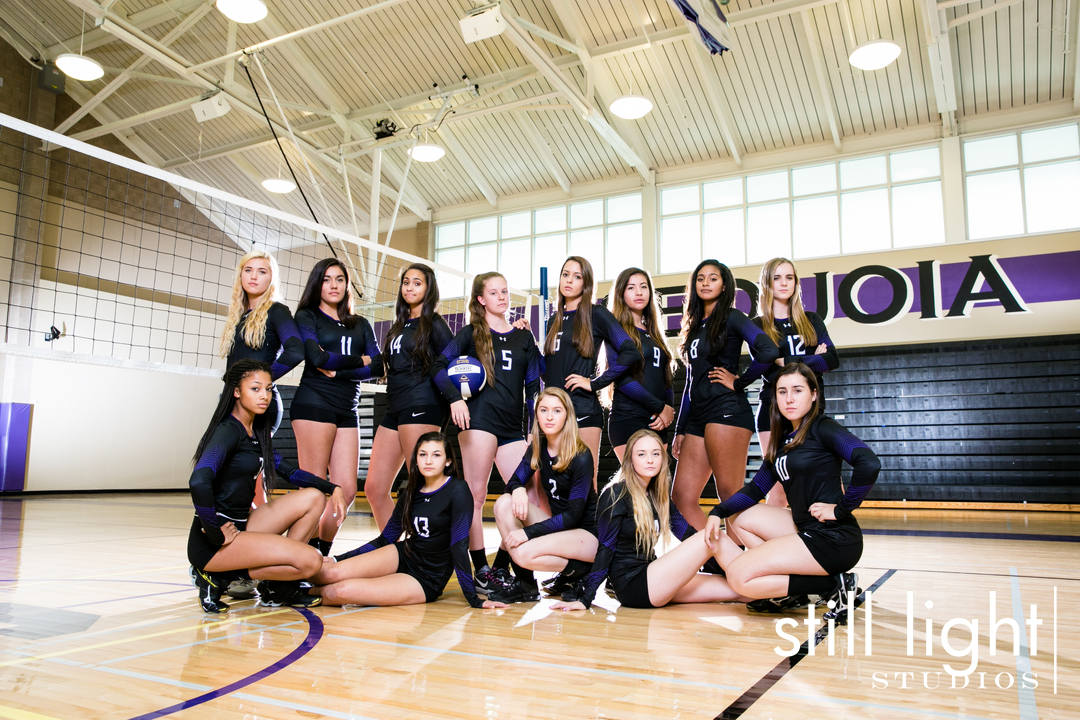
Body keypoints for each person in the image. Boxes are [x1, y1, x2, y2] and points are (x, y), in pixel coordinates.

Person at [703, 363, 879, 623]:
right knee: (741, 517)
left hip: (832, 539)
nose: (789, 398)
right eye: (782, 391)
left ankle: (829, 585)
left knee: (739, 577)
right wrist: (718, 512)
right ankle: (792, 590)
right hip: (804, 528)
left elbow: (869, 463)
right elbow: (756, 489)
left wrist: (841, 509)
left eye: (797, 390)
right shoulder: (782, 438)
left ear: (814, 394)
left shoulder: (823, 428)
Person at [188, 359, 346, 613]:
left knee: (315, 497)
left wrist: (333, 487)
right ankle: (216, 576)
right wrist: (215, 533)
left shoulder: (254, 433)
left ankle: (277, 587)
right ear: (237, 392)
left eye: (269, 389)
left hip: (242, 525)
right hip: (213, 542)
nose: (265, 396)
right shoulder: (228, 430)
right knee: (311, 561)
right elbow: (198, 480)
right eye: (256, 389)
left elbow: (291, 473)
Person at [551, 429, 747, 611]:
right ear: (630, 460)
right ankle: (754, 570)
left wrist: (723, 571)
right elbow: (605, 549)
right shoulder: (616, 495)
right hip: (633, 586)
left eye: (655, 453)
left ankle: (769, 594)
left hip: (655, 577)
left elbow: (687, 535)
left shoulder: (658, 496)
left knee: (740, 590)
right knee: (713, 536)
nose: (650, 460)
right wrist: (586, 599)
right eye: (642, 454)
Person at [432, 272, 542, 594]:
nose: (502, 297)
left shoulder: (525, 337)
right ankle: (480, 570)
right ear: (481, 299)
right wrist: (454, 399)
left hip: (512, 426)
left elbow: (534, 385)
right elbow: (439, 366)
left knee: (529, 496)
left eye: (505, 291)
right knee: (476, 498)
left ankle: (500, 566)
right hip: (477, 421)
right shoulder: (470, 334)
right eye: (494, 293)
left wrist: (535, 427)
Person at [310, 433, 506, 609]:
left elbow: (459, 547)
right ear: (416, 460)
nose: (429, 461)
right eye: (423, 455)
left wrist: (473, 599)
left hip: (426, 578)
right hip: (403, 554)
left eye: (436, 455)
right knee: (329, 572)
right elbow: (385, 540)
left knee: (338, 592)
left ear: (447, 461)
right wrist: (337, 558)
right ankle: (285, 585)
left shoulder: (458, 490)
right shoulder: (411, 493)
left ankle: (299, 594)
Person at [670, 260, 780, 536]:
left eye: (713, 278)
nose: (706, 283)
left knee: (730, 494)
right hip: (698, 417)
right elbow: (690, 383)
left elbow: (767, 350)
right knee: (682, 497)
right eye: (700, 278)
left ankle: (748, 554)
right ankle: (715, 558)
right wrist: (680, 429)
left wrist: (740, 382)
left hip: (727, 411)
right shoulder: (694, 326)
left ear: (724, 284)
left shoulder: (732, 317)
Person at [292, 258, 382, 556]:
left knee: (347, 489)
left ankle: (320, 550)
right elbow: (316, 359)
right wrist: (361, 362)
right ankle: (296, 554)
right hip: (313, 403)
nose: (333, 285)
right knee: (315, 491)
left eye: (340, 279)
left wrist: (340, 369)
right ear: (318, 284)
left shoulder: (361, 324)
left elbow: (380, 365)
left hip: (347, 407)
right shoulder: (307, 316)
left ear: (347, 285)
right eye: (327, 279)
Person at [365, 263, 454, 529]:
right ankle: (392, 548)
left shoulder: (435, 325)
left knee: (420, 487)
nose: (410, 287)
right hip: (395, 406)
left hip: (422, 404)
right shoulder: (399, 325)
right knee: (374, 488)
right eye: (406, 282)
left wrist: (453, 401)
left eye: (417, 282)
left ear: (429, 289)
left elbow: (452, 364)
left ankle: (424, 550)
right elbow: (380, 366)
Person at [490, 388, 598, 603]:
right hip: (559, 527)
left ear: (567, 415)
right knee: (503, 503)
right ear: (536, 414)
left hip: (586, 535)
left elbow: (573, 516)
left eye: (557, 410)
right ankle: (526, 585)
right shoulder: (538, 447)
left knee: (522, 553)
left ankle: (580, 570)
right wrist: (518, 489)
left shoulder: (581, 455)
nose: (549, 417)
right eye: (543, 410)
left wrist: (527, 533)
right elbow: (514, 481)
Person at [542, 256, 641, 489]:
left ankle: (590, 528)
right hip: (553, 415)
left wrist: (595, 383)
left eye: (577, 276)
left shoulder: (596, 314)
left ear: (585, 284)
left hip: (584, 412)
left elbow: (630, 351)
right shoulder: (552, 321)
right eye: (565, 274)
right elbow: (546, 369)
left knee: (585, 485)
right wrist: (523, 338)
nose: (569, 280)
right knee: (552, 484)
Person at [747, 258, 839, 507]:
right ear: (767, 284)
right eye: (777, 278)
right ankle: (772, 544)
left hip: (811, 410)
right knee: (779, 487)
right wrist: (812, 359)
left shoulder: (811, 319)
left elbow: (832, 359)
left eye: (789, 277)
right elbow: (765, 362)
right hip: (773, 409)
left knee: (825, 481)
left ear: (796, 282)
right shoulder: (756, 326)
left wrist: (785, 359)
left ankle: (821, 541)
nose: (784, 283)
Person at [218, 249, 304, 435]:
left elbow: (296, 351)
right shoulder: (238, 315)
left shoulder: (276, 311)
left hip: (258, 403)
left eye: (262, 271)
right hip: (231, 401)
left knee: (246, 461)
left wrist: (259, 383)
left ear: (271, 278)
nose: (254, 276)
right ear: (240, 274)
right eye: (248, 270)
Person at [603, 267, 675, 459]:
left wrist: (667, 409)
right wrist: (661, 407)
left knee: (657, 486)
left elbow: (665, 378)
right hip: (628, 418)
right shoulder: (615, 331)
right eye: (631, 287)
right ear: (621, 293)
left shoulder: (654, 333)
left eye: (644, 286)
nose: (639, 292)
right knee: (635, 486)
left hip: (656, 421)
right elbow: (623, 379)